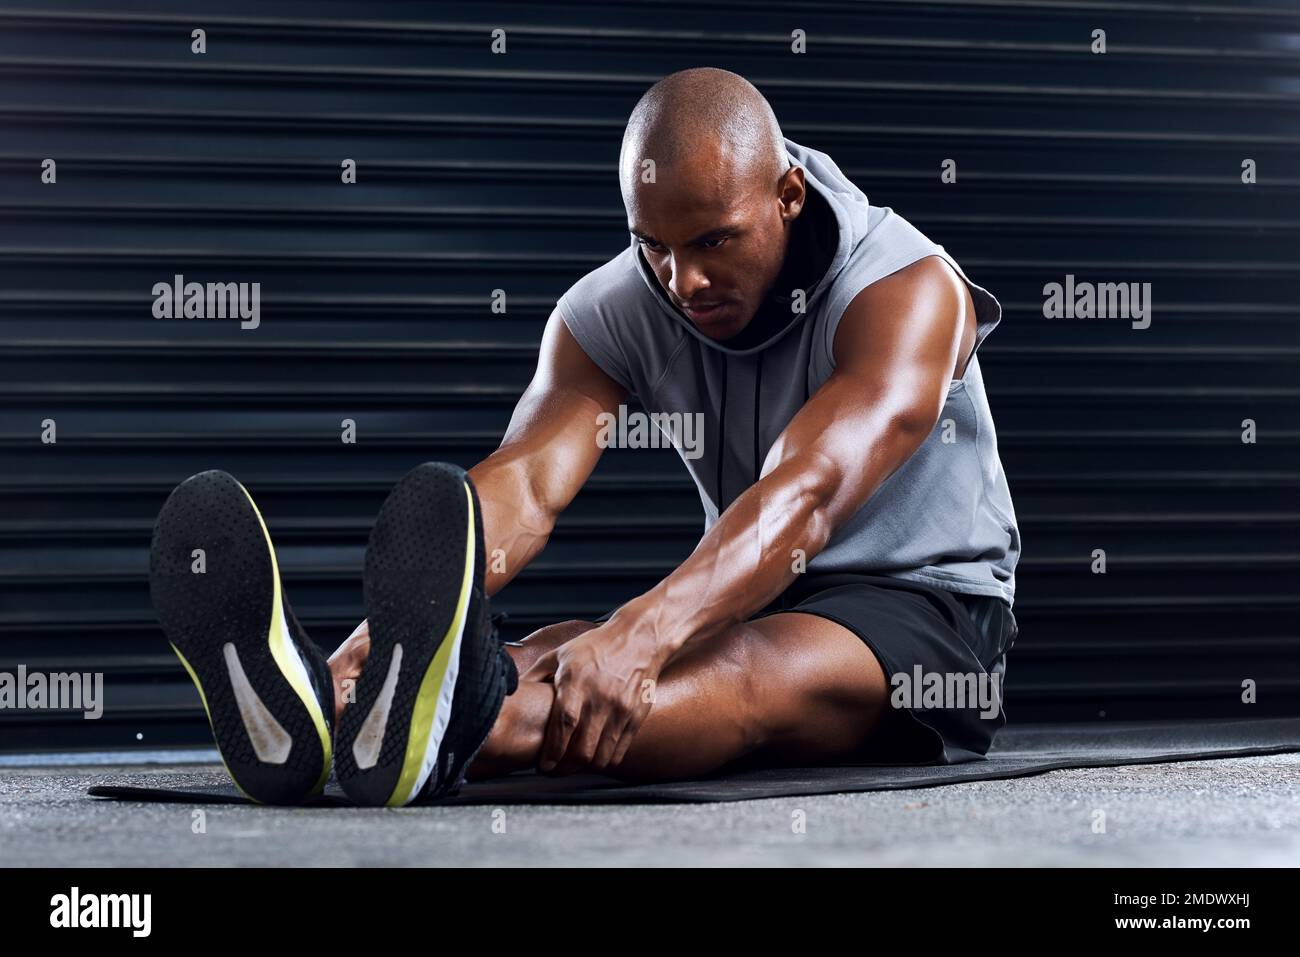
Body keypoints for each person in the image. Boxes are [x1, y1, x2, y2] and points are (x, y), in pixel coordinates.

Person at [149, 67, 1020, 807]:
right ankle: (329, 705)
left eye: (716, 240)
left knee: (724, 665)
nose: (686, 279)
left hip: (929, 615)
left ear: (786, 194)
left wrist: (644, 634)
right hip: (751, 586)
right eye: (656, 247)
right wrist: (388, 630)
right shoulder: (616, 304)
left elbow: (810, 491)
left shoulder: (904, 287)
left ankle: (442, 725)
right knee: (558, 647)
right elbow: (527, 486)